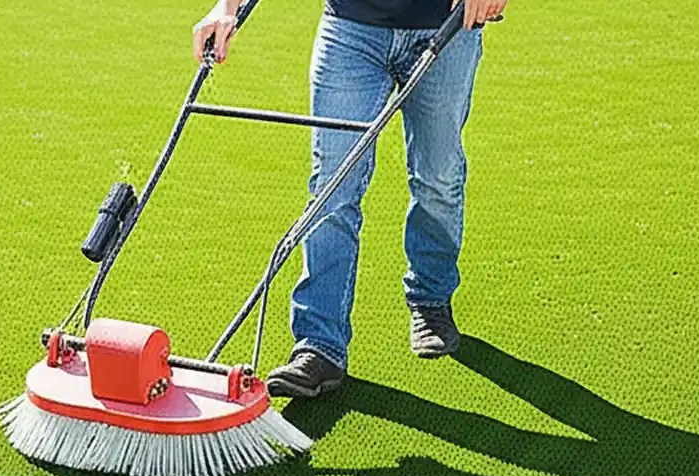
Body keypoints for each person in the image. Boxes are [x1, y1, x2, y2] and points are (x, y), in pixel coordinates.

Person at [193, 0, 505, 398]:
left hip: (447, 26)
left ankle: (431, 300)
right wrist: (226, 7)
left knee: (437, 178)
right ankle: (319, 346)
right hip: (350, 30)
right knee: (332, 189)